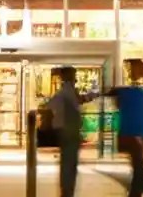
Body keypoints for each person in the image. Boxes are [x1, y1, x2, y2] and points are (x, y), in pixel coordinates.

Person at [109, 61, 143, 197]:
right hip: (137, 134)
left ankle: (142, 191)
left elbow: (113, 95)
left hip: (132, 133)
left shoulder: (130, 93)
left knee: (137, 167)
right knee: (138, 166)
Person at [47, 66, 84, 197]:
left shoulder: (65, 92)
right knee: (69, 164)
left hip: (66, 131)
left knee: (68, 163)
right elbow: (54, 105)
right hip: (69, 131)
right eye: (74, 75)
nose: (76, 78)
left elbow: (51, 105)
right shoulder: (67, 91)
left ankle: (67, 191)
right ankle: (67, 192)